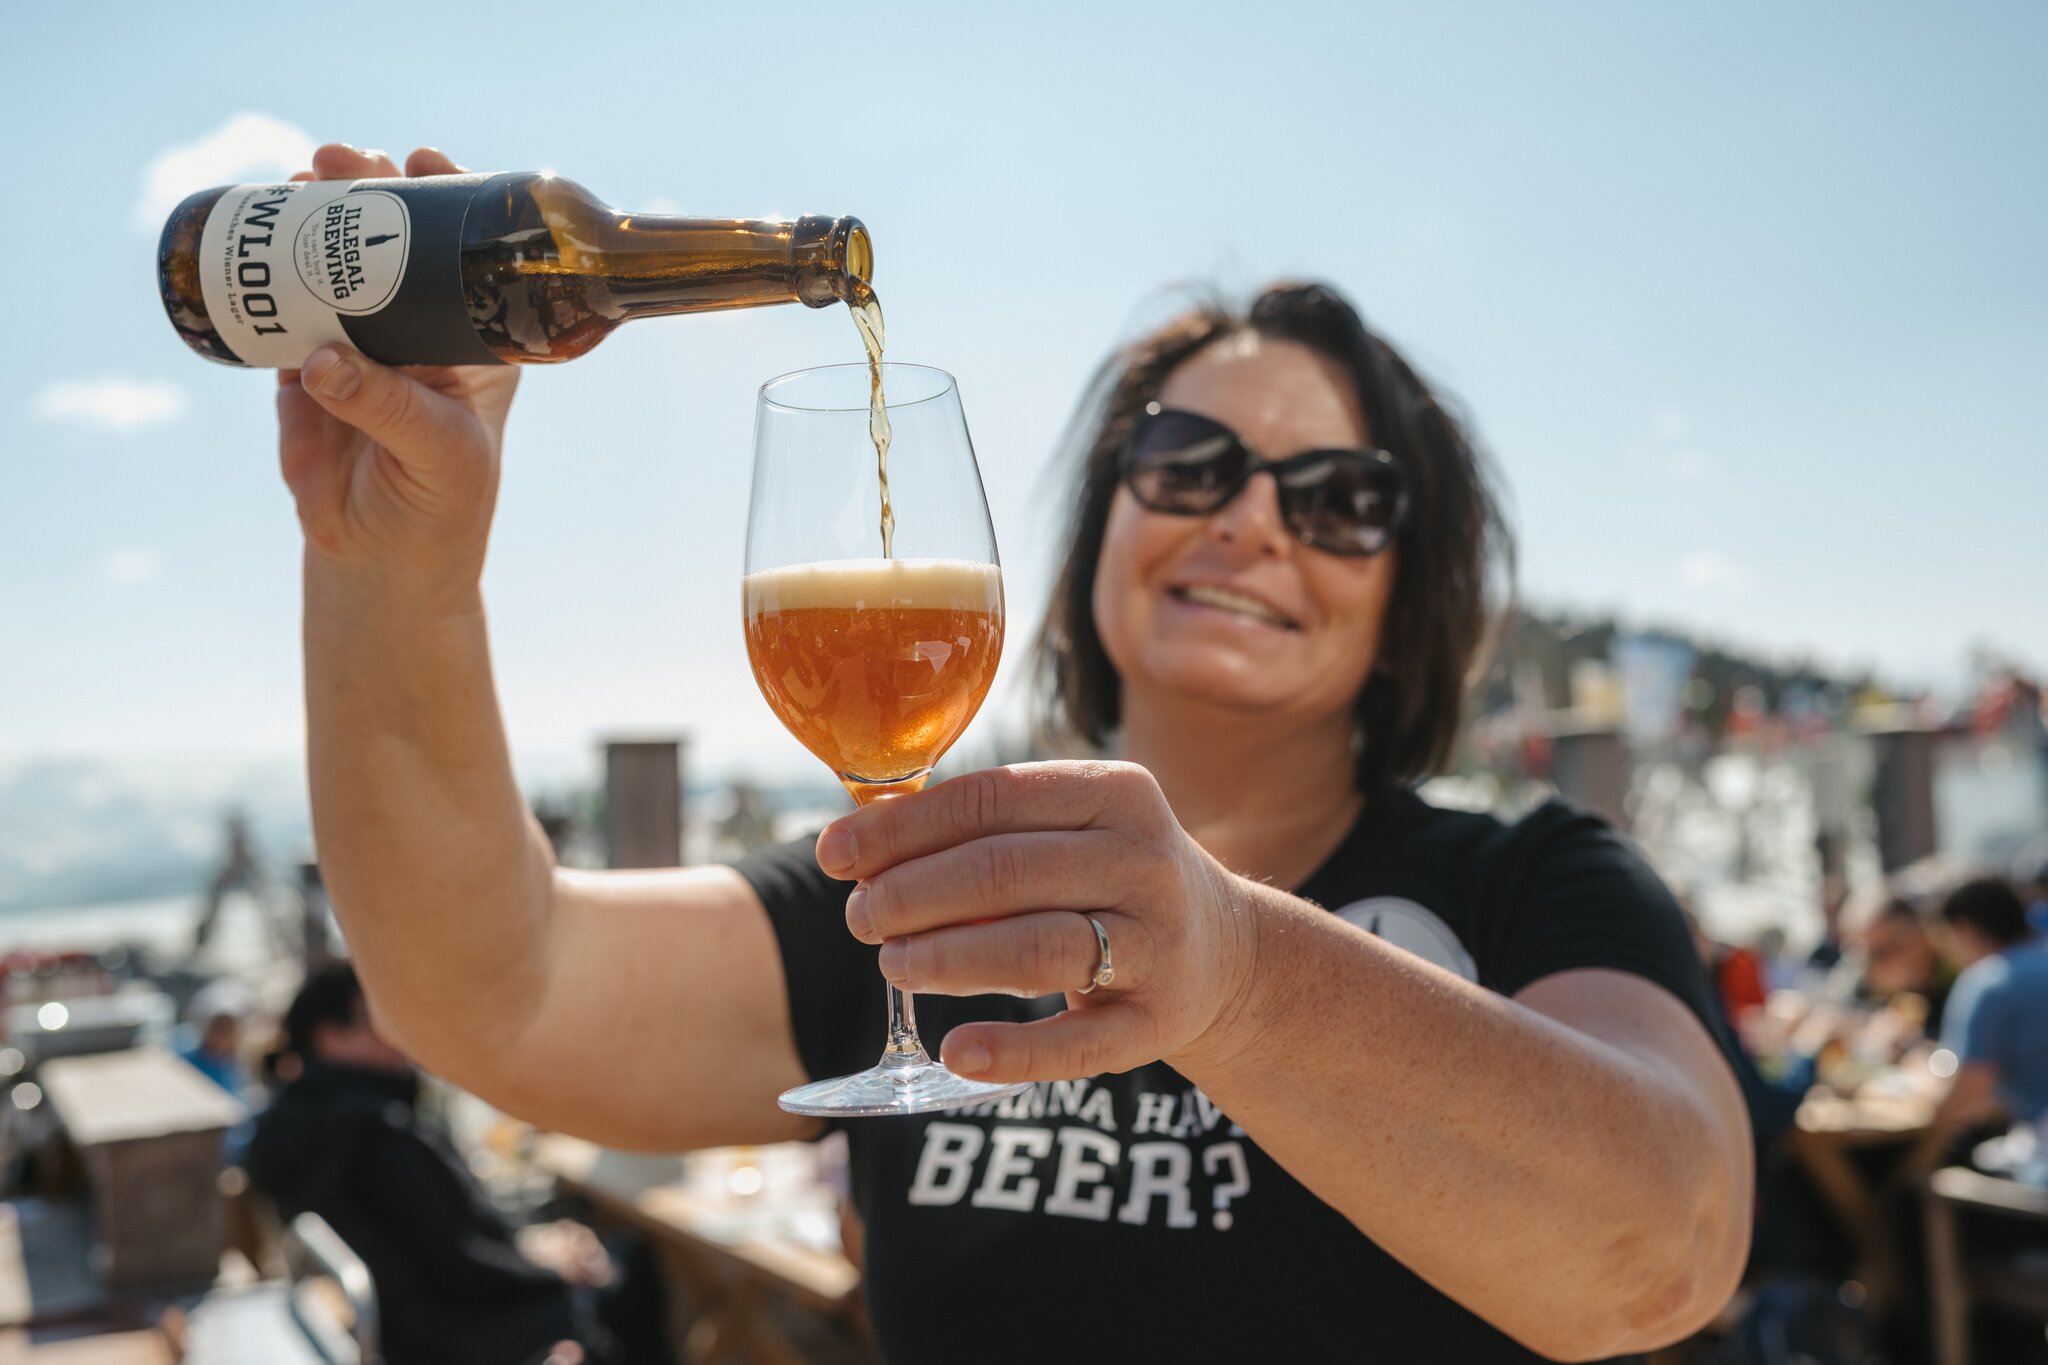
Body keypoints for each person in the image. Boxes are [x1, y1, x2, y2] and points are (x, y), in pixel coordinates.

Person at [275, 142, 1751, 1363]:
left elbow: (1669, 1252)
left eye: (1338, 499)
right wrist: (392, 568)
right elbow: (497, 992)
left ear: (1410, 587)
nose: (1250, 520)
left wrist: (1236, 970)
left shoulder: (1534, 883)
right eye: (1189, 465)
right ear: (1105, 521)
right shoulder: (923, 894)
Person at [246, 963, 649, 1365]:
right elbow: (462, 1267)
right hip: (469, 1336)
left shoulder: (299, 1125)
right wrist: (553, 1271)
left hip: (406, 1334)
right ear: (332, 1037)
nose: (398, 1034)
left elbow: (431, 1251)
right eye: (379, 1020)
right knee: (631, 1266)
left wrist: (529, 1250)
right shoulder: (374, 1134)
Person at [1929, 878, 2048, 1146]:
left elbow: (1962, 1103)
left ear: (1965, 930)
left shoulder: (1986, 982)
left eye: (1945, 939)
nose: (1947, 954)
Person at [1852, 893, 1956, 1036]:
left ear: (1918, 937)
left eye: (1880, 952)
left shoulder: (1960, 977)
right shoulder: (1872, 989)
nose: (1870, 967)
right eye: (1862, 954)